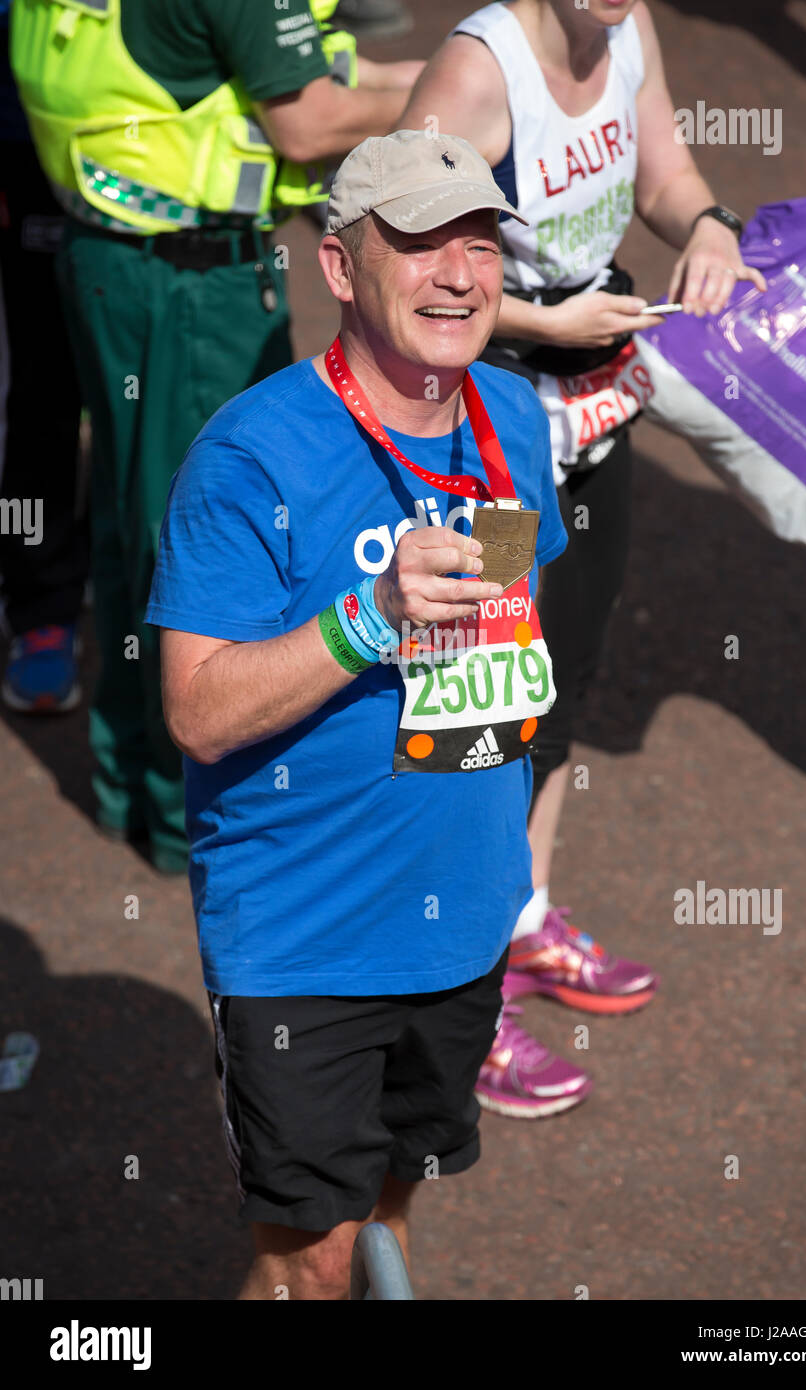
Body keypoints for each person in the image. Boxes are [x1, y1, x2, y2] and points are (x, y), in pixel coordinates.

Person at [145, 128, 568, 1298]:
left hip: (465, 918)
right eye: (418, 241)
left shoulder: (511, 419)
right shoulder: (250, 458)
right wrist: (368, 615)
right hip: (306, 939)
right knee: (310, 1256)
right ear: (340, 268)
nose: (457, 272)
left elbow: (526, 619)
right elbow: (195, 711)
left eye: (477, 241)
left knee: (389, 1203)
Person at [401, 0, 767, 1116]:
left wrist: (706, 222)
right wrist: (536, 320)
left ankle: (517, 925)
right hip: (489, 427)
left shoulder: (625, 27)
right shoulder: (478, 69)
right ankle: (451, 1003)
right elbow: (390, 263)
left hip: (595, 410)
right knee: (473, 709)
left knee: (557, 680)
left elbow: (660, 174)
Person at [10, 0, 419, 871]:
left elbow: (312, 69)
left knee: (134, 520)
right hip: (194, 285)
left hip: (109, 251)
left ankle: (133, 784)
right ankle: (192, 816)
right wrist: (460, 86)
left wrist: (407, 75)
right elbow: (308, 121)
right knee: (203, 546)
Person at [0, 0, 86, 713]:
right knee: (39, 405)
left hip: (161, 173)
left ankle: (156, 620)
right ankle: (39, 609)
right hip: (28, 157)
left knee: (155, 423)